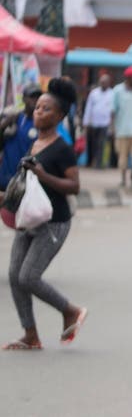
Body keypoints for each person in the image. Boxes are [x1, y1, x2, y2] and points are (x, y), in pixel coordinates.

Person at [4, 78, 88, 351]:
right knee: (15, 275)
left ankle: (71, 311)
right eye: (38, 107)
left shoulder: (62, 148)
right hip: (29, 218)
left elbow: (73, 186)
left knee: (29, 277)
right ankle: (30, 335)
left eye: (46, 109)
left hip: (54, 222)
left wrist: (43, 174)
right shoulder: (35, 143)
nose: (38, 112)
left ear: (60, 116)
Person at [0, 84, 42, 190]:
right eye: (32, 96)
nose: (35, 100)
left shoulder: (41, 123)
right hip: (5, 180)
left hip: (25, 183)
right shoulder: (13, 117)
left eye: (38, 97)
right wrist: (3, 125)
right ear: (24, 98)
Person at [81, 74, 115, 169]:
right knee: (92, 143)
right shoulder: (94, 93)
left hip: (105, 123)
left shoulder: (112, 94)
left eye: (105, 82)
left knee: (101, 143)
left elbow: (113, 110)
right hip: (93, 123)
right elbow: (89, 108)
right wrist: (86, 122)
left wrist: (112, 125)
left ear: (108, 83)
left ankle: (99, 164)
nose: (103, 84)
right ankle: (90, 161)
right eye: (102, 82)